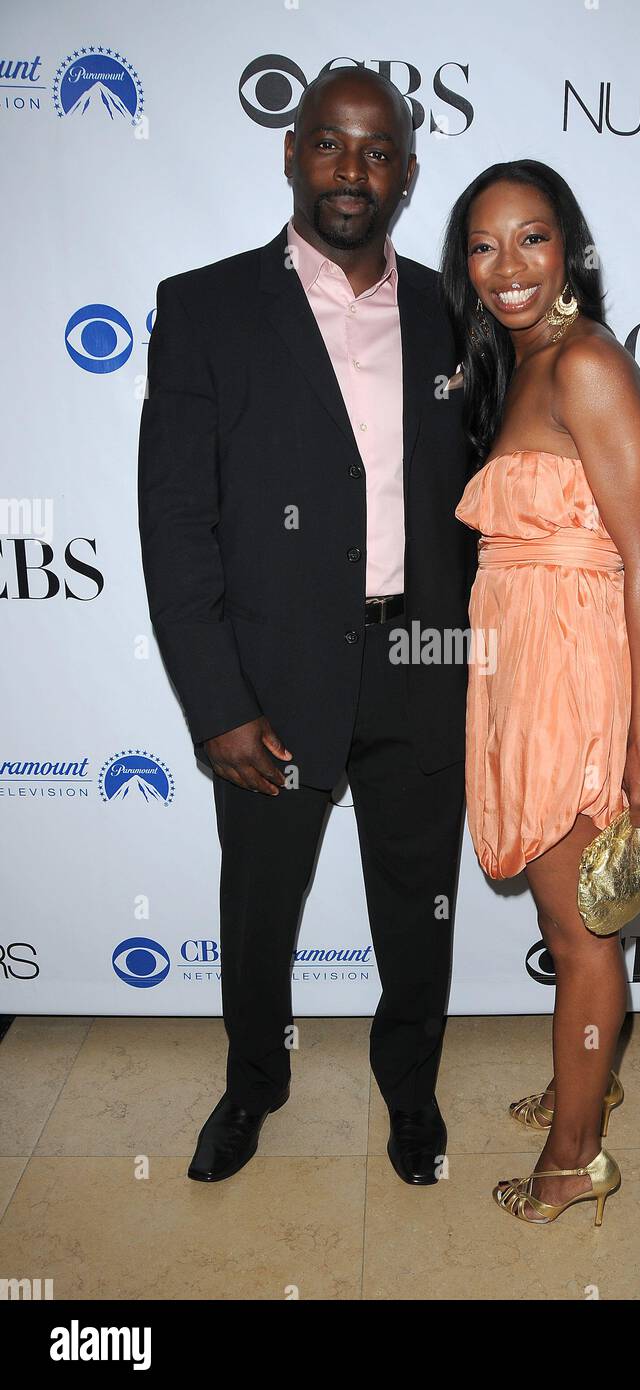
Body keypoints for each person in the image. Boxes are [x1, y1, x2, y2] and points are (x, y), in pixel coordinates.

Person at [137, 67, 475, 1186]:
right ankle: (253, 1080)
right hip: (272, 680)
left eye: (377, 152)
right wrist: (217, 700)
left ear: (409, 175)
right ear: (291, 156)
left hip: (424, 667)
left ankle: (411, 1092)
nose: (351, 170)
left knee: (418, 909)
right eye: (328, 144)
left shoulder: (454, 314)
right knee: (261, 905)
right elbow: (177, 521)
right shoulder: (205, 307)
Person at [442, 160, 640, 1225]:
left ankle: (573, 1157)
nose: (509, 268)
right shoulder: (519, 362)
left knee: (580, 932)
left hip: (577, 683)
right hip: (523, 672)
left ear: (569, 246)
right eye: (485, 246)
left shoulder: (586, 363)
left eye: (531, 239)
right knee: (575, 917)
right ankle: (589, 1082)